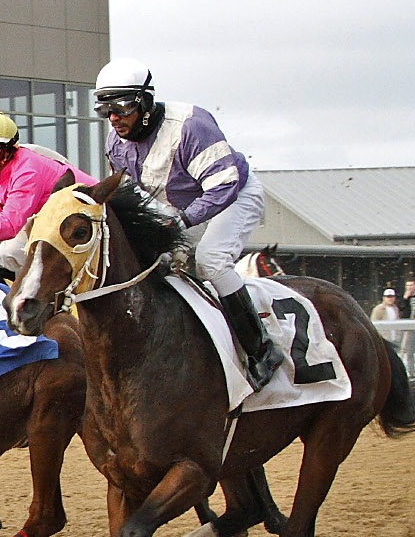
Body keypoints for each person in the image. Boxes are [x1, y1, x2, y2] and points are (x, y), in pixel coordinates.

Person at [94, 58, 281, 391]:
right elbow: (131, 193)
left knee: (211, 261)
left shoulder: (190, 126)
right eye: (105, 110)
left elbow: (224, 185)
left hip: (234, 193)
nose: (114, 119)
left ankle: (261, 350)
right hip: (182, 205)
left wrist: (180, 221)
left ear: (145, 102)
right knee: (154, 264)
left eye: (121, 108)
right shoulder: (116, 143)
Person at [0, 113, 91, 274]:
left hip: (89, 213)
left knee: (7, 254)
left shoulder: (26, 172)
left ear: (6, 151)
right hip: (51, 220)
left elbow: (9, 226)